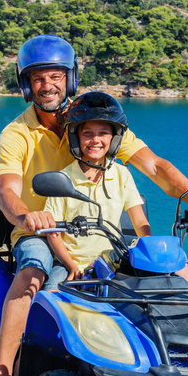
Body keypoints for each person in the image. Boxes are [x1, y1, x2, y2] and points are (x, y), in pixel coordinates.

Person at [0, 35, 188, 376]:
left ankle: (176, 365)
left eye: (55, 76)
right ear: (25, 83)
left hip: (99, 232)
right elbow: (7, 190)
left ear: (70, 78)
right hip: (41, 230)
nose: (47, 85)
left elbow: (155, 167)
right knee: (32, 274)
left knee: (157, 274)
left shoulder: (95, 120)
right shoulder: (16, 134)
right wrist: (25, 217)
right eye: (37, 78)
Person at [41, 92, 150, 290]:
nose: (95, 140)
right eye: (87, 133)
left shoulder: (121, 174)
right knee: (51, 294)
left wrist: (150, 249)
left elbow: (140, 221)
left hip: (111, 261)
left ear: (114, 138)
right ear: (76, 138)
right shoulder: (63, 178)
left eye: (103, 133)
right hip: (70, 263)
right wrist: (71, 265)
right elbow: (53, 233)